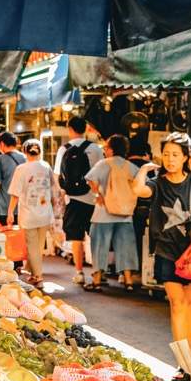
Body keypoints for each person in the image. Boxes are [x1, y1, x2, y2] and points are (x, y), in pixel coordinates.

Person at [133, 132, 191, 361]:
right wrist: (144, 169)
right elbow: (138, 191)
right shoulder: (158, 183)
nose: (170, 159)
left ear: (185, 157)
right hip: (167, 249)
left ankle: (187, 356)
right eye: (166, 154)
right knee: (176, 302)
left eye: (175, 154)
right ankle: (184, 362)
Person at [54, 116, 105, 285]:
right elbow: (101, 175)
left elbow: (57, 176)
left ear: (70, 129)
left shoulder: (64, 149)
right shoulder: (96, 149)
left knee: (76, 237)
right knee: (95, 237)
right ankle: (98, 272)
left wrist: (62, 192)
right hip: (93, 199)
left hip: (73, 199)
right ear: (85, 129)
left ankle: (79, 272)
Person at [85, 134, 139, 291]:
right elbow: (140, 184)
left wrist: (98, 195)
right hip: (126, 214)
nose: (105, 150)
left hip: (103, 213)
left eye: (106, 147)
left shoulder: (104, 164)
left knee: (99, 246)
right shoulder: (131, 166)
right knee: (126, 246)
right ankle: (128, 281)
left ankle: (96, 281)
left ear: (111, 149)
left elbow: (90, 179)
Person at [7, 138, 54, 286]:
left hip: (28, 214)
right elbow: (53, 187)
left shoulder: (22, 169)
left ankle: (38, 276)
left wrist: (10, 212)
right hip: (45, 212)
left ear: (25, 151)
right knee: (38, 246)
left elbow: (15, 193)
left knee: (32, 245)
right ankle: (35, 273)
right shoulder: (46, 166)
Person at [126, 139, 153, 272]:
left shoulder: (124, 165)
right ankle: (142, 269)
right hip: (145, 209)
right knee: (142, 238)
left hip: (125, 209)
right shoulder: (150, 167)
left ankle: (126, 272)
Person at [0, 132, 26, 227]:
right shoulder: (25, 157)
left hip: (5, 207)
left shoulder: (0, 159)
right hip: (22, 206)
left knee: (7, 236)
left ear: (2, 144)